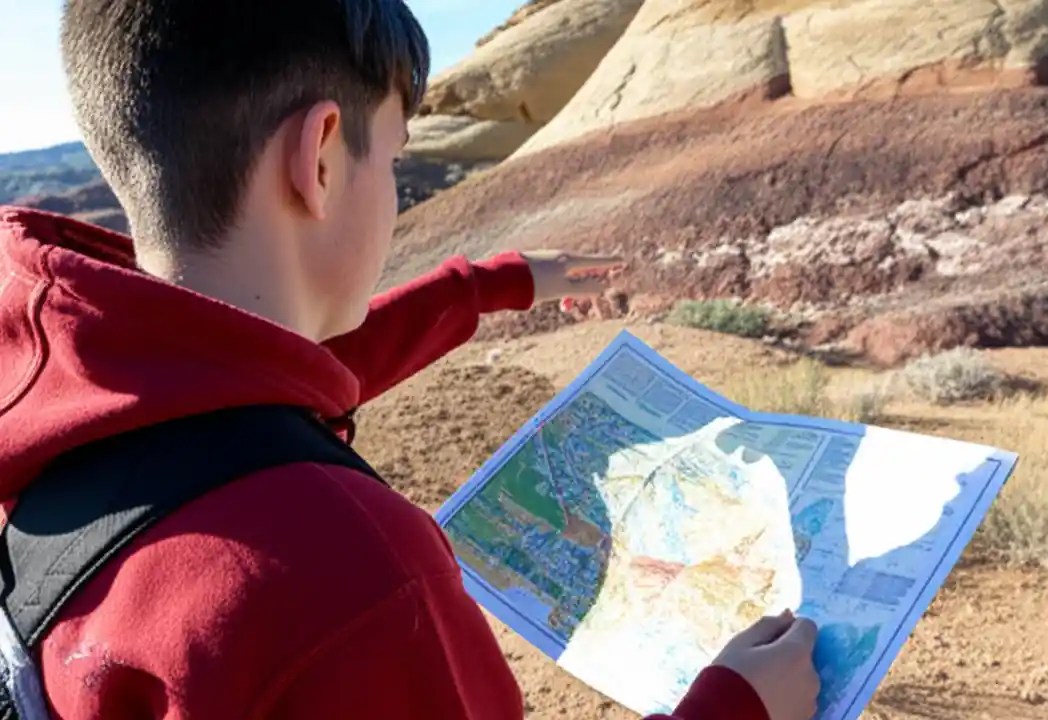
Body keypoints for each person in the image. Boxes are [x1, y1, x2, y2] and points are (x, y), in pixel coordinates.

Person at [0, 1, 821, 718]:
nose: (395, 186)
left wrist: (491, 285)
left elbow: (262, 391)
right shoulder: (354, 576)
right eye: (392, 159)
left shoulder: (68, 404)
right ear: (319, 157)